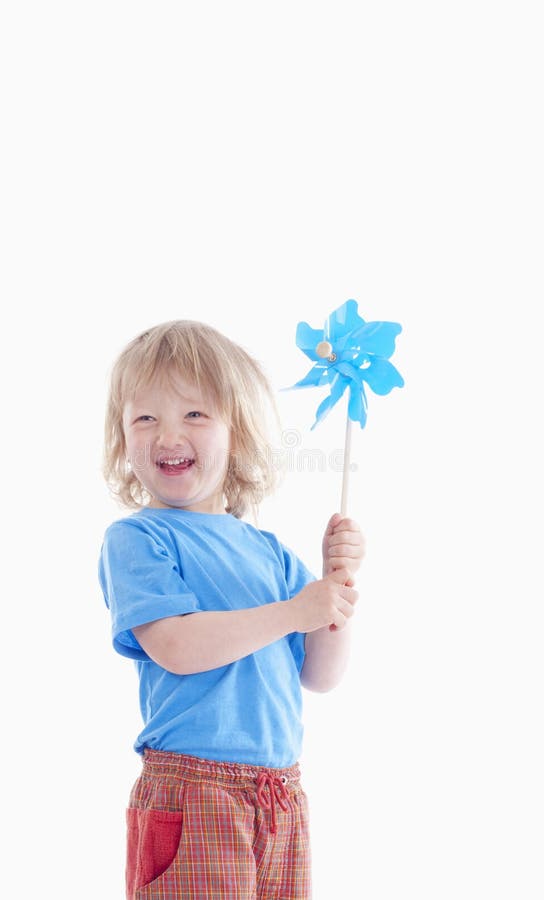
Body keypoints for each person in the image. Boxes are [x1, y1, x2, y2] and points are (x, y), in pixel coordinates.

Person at [98, 319, 365, 899]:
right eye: (146, 418)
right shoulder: (138, 539)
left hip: (280, 793)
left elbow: (321, 674)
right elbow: (176, 646)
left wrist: (334, 588)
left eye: (194, 414)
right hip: (194, 791)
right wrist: (294, 612)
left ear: (236, 435)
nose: (169, 434)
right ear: (122, 438)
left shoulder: (270, 553)